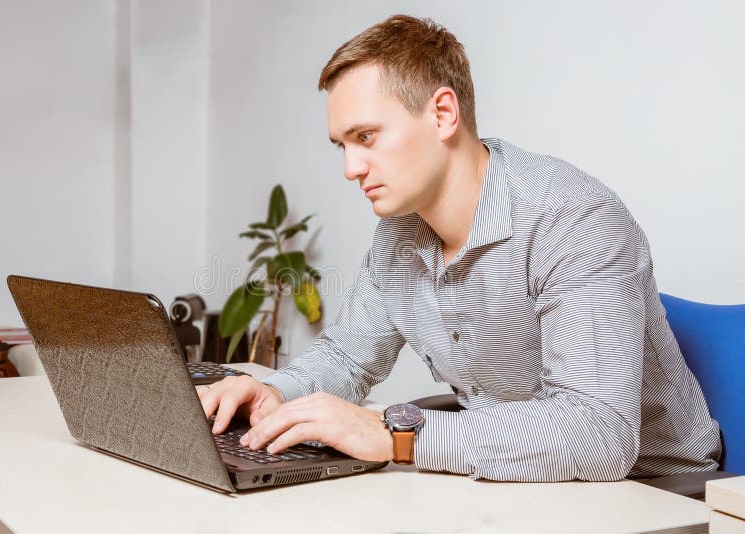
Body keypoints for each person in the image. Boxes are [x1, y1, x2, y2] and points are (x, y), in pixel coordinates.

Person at [197, 14, 721, 481]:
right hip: (508, 478)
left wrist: (397, 435)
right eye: (343, 145)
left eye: (367, 137)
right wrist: (275, 393)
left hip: (650, 492)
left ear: (443, 114)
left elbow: (599, 434)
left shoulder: (573, 219)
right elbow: (348, 357)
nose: (350, 169)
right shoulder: (401, 233)